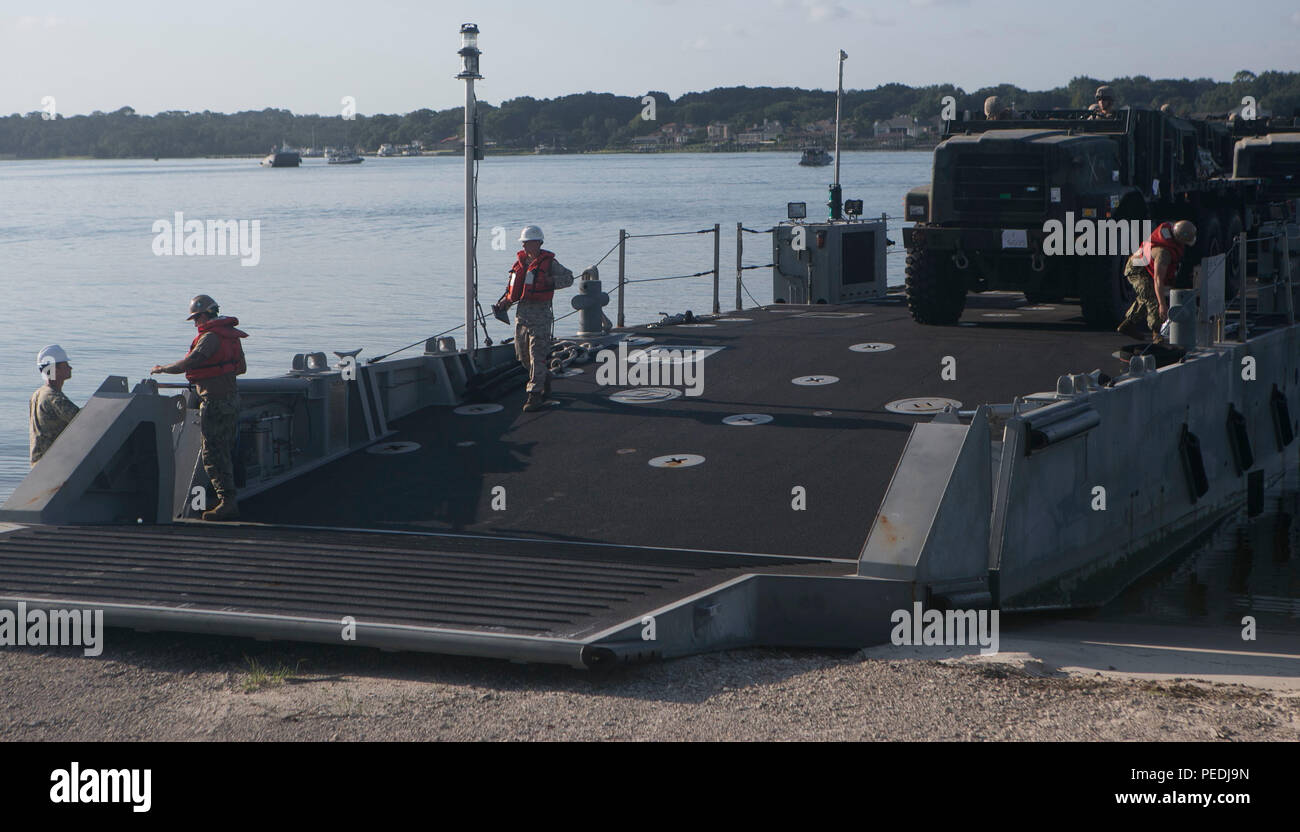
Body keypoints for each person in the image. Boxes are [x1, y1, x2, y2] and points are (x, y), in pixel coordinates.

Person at [151, 294, 248, 520]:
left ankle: (226, 502)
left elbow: (190, 363)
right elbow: (241, 368)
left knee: (212, 453)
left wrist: (163, 369)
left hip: (214, 401)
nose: (195, 324)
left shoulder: (210, 337)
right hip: (231, 399)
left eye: (196, 318)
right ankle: (226, 498)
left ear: (205, 315)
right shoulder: (230, 336)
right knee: (225, 449)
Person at [493, 225, 575, 412]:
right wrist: (504, 303)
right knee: (523, 356)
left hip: (541, 316)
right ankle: (544, 377)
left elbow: (569, 278)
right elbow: (513, 291)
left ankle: (534, 395)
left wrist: (551, 281)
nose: (524, 246)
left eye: (527, 242)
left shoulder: (550, 264)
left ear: (538, 243)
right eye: (523, 242)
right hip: (522, 316)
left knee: (537, 355)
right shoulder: (519, 264)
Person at [1117, 220, 1197, 342]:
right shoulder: (1163, 253)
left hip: (1147, 266)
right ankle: (1156, 333)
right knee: (1152, 298)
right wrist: (1162, 304)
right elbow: (1158, 279)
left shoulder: (1171, 230)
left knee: (1145, 299)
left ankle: (1127, 325)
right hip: (1137, 269)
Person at [29, 344, 81, 465]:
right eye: (66, 365)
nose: (70, 368)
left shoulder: (38, 394)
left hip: (39, 464)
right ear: (54, 369)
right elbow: (82, 421)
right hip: (52, 465)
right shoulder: (55, 399)